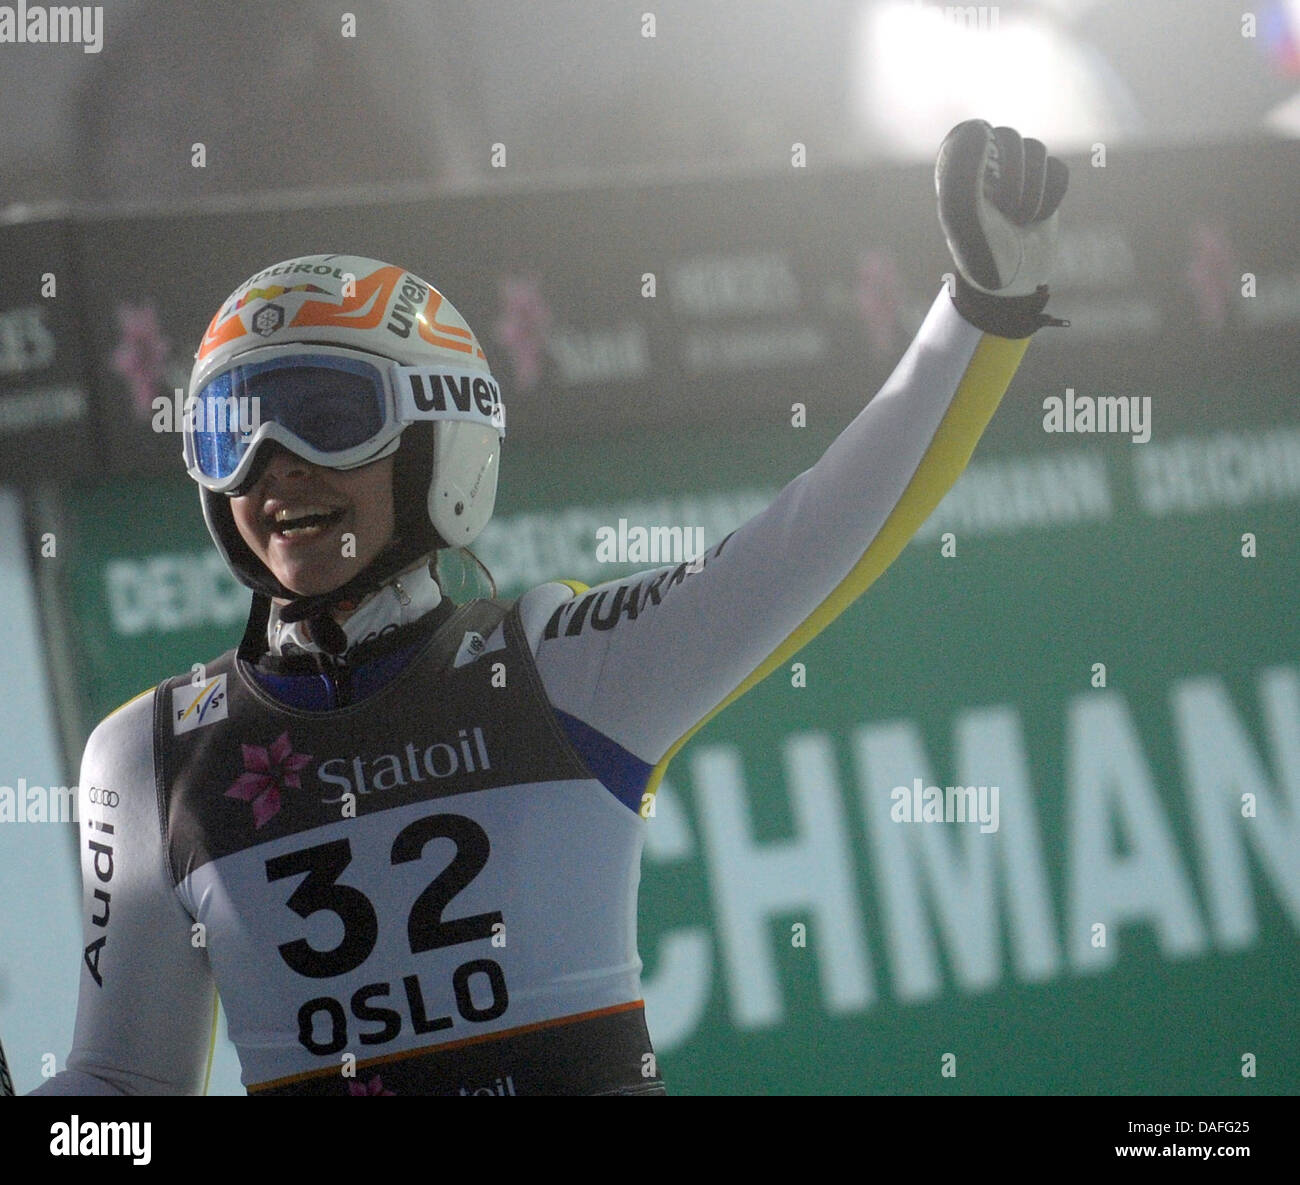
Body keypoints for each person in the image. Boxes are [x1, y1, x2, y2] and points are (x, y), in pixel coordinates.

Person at [32, 120, 1068, 1096]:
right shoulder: (147, 756)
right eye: (231, 433)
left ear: (442, 448)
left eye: (329, 417)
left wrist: (982, 310)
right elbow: (123, 1103)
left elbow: (819, 534)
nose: (273, 468)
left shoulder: (558, 670)